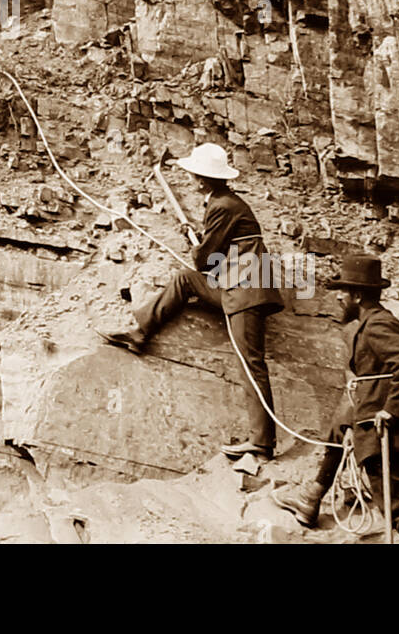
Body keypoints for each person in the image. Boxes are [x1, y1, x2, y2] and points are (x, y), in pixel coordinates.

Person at [99, 142, 284, 458]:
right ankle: (140, 332)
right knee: (184, 280)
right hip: (235, 286)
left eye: (192, 174)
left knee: (251, 365)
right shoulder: (224, 202)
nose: (189, 178)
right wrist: (196, 236)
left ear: (201, 179)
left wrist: (194, 243)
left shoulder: (224, 206)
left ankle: (262, 443)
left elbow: (205, 259)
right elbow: (212, 259)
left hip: (246, 293)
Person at [272, 254, 399, 544]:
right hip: (382, 427)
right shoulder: (372, 324)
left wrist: (394, 412)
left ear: (358, 296)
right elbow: (383, 382)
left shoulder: (377, 326)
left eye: (342, 293)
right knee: (395, 497)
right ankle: (313, 494)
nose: (337, 298)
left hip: (389, 430)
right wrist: (356, 423)